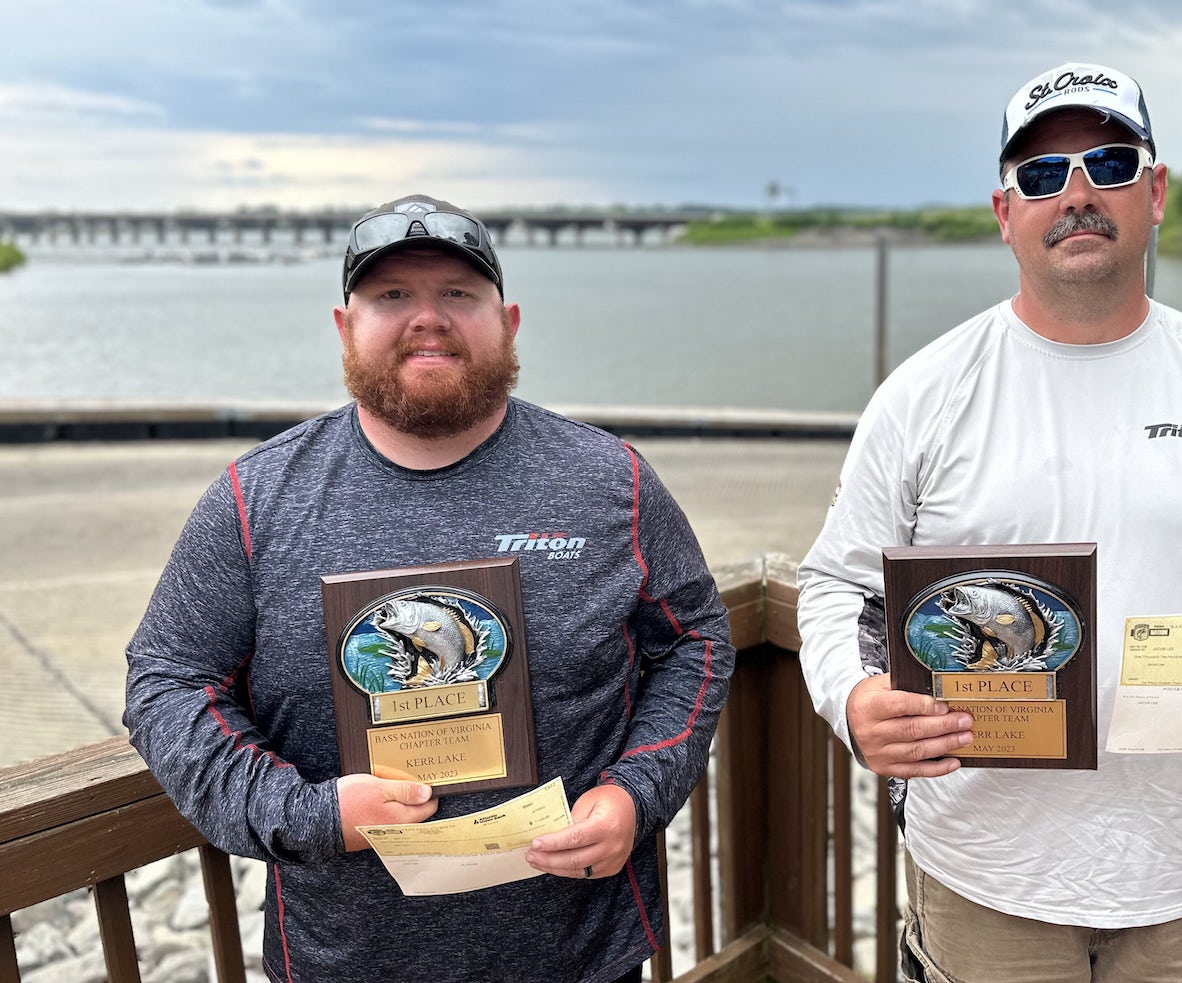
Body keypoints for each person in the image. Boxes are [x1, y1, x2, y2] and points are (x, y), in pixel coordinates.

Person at [797, 63, 1182, 982]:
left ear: (1154, 193)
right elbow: (836, 584)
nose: (1075, 194)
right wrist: (853, 697)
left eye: (1107, 163)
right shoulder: (921, 395)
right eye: (1040, 175)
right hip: (983, 872)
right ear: (1004, 212)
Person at [124, 193, 735, 983]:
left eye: (457, 293)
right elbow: (166, 684)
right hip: (342, 959)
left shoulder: (610, 481)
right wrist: (309, 816)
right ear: (345, 328)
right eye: (391, 295)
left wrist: (634, 792)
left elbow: (697, 641)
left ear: (508, 321)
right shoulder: (252, 502)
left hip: (581, 952)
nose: (428, 317)